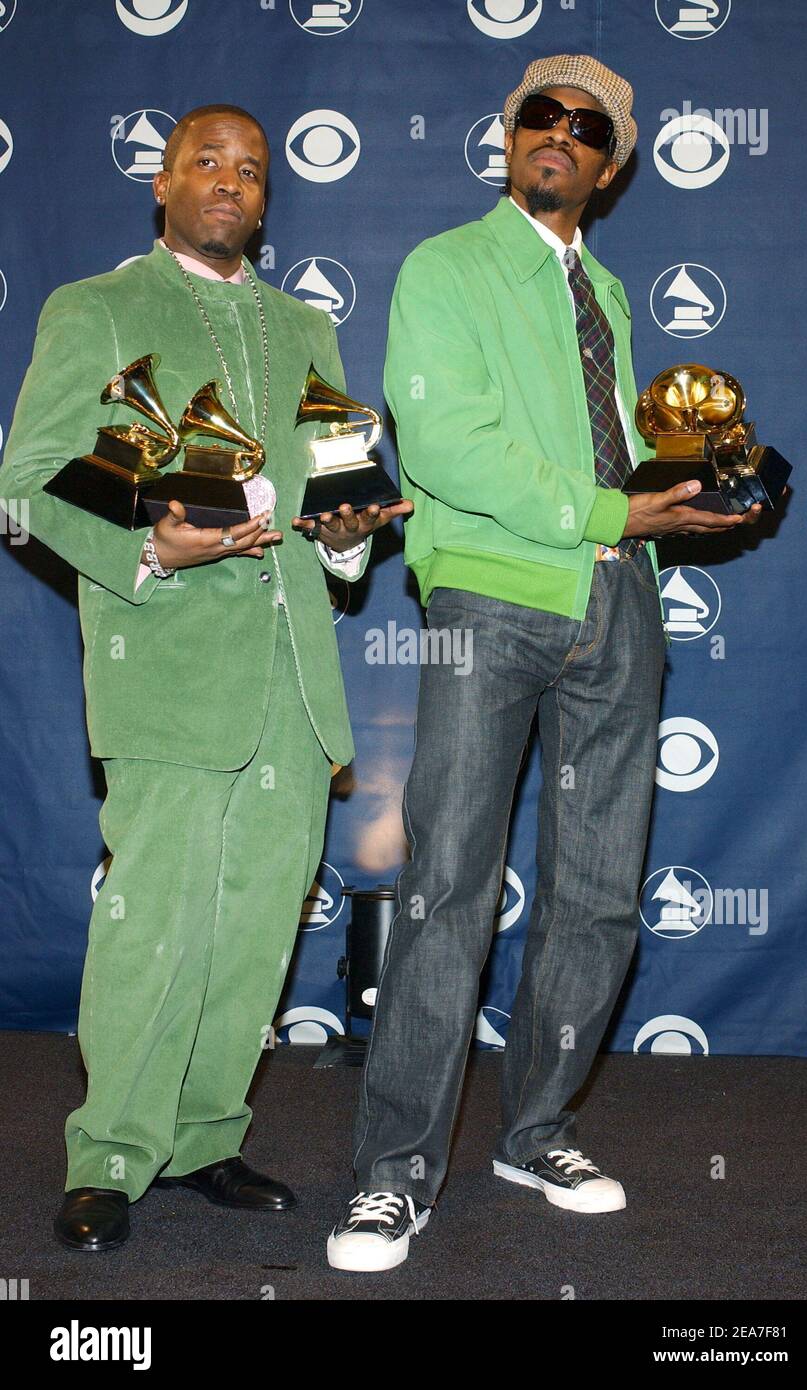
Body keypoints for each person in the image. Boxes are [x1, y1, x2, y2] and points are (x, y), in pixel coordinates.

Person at [327, 55, 765, 1272]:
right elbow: (452, 448)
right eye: (541, 115)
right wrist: (616, 517)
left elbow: (616, 457)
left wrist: (675, 509)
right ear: (509, 135)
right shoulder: (447, 267)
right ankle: (393, 1173)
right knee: (449, 884)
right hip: (493, 595)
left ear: (611, 166)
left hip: (616, 601)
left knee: (600, 888)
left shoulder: (611, 295)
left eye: (588, 128)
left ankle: (536, 1126)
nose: (560, 136)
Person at [0, 103, 410, 1252]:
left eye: (250, 170)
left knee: (253, 922)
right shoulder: (97, 307)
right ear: (163, 183)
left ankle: (205, 1137)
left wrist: (352, 530)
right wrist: (147, 540)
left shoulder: (307, 326)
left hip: (296, 678)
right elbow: (28, 479)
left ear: (268, 200)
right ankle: (112, 1153)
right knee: (155, 921)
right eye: (206, 163)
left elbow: (339, 492)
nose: (229, 182)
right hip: (168, 658)